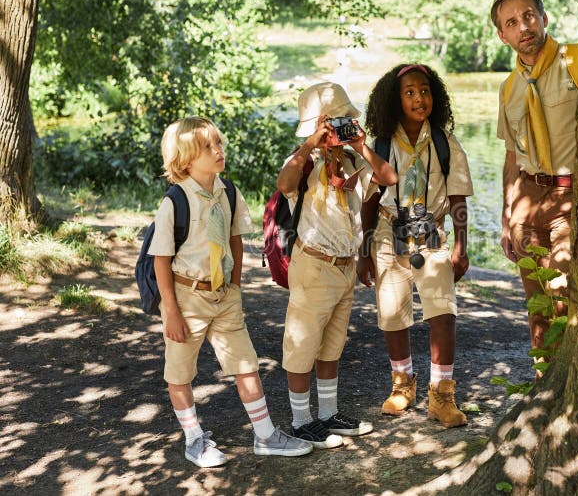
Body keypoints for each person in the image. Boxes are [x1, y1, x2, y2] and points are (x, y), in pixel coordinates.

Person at [149, 116, 312, 468]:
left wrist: (235, 286)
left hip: (223, 295)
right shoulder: (175, 201)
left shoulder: (229, 192)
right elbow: (161, 260)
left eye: (219, 143)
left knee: (245, 364)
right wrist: (172, 311)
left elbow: (235, 242)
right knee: (179, 372)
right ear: (185, 158)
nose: (219, 150)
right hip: (186, 296)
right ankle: (194, 439)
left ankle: (265, 434)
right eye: (208, 147)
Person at [276, 82, 397, 448]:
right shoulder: (305, 160)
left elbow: (389, 178)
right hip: (314, 264)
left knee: (332, 346)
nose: (337, 130)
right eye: (330, 123)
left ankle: (328, 415)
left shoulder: (354, 160)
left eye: (343, 122)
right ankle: (301, 421)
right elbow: (284, 184)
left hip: (344, 268)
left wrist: (360, 145)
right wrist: (311, 144)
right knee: (302, 345)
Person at [358, 63, 473, 428]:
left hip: (433, 234)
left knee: (442, 313)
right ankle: (402, 384)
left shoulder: (443, 142)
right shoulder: (380, 145)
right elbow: (369, 203)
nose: (418, 98)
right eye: (409, 92)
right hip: (388, 235)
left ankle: (442, 395)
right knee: (393, 314)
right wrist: (364, 252)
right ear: (396, 99)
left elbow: (457, 198)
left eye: (424, 90)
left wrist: (461, 246)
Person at [491, 0, 578, 356]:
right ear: (503, 35)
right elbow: (512, 155)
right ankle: (544, 383)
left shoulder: (577, 60)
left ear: (544, 18)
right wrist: (508, 213)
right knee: (537, 305)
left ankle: (568, 379)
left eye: (528, 16)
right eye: (511, 22)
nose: (523, 27)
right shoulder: (509, 87)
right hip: (528, 202)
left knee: (561, 295)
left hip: (571, 198)